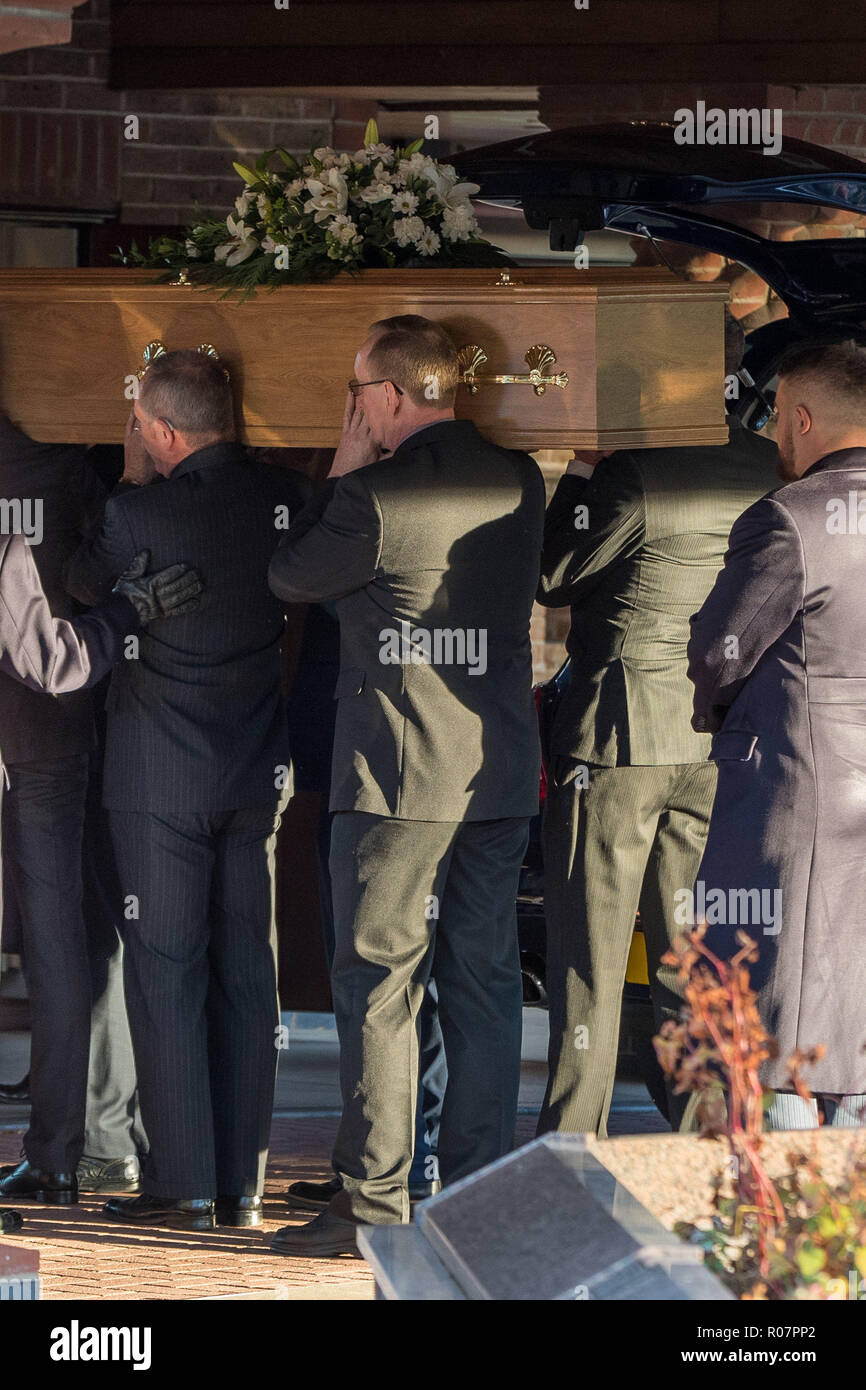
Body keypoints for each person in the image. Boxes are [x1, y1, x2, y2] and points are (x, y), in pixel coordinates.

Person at [268, 314, 545, 1255]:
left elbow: (289, 576)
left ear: (389, 396)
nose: (354, 410)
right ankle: (477, 1200)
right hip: (500, 771)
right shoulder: (521, 477)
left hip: (394, 779)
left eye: (357, 394)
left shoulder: (374, 494)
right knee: (486, 985)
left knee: (381, 985)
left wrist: (342, 473)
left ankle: (373, 1205)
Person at [66, 349, 311, 1230]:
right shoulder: (285, 499)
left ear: (161, 430)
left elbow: (81, 588)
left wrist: (131, 477)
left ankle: (184, 1184)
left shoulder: (138, 513)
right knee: (250, 974)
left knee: (167, 978)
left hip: (157, 781)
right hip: (257, 776)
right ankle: (242, 1187)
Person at [535, 315, 779, 1138]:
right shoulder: (767, 465)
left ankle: (570, 1149)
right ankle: (710, 1149)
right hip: (711, 737)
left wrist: (577, 465)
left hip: (615, 739)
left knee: (590, 967)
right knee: (692, 957)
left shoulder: (634, 472)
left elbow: (551, 572)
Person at [688, 339, 866, 1129]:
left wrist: (726, 718)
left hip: (794, 790)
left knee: (775, 1010)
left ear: (801, 418)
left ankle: (780, 1227)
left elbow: (720, 649)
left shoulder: (787, 518)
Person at [0, 514, 201, 1208]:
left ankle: (58, 1159)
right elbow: (51, 664)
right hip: (35, 767)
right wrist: (127, 608)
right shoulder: (4, 548)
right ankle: (56, 1160)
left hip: (30, 767)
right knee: (58, 960)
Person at [0, 413, 146, 1193]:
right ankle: (91, 1141)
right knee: (78, 943)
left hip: (42, 731)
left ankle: (67, 1150)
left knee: (65, 947)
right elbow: (107, 558)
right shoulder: (55, 460)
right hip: (64, 726)